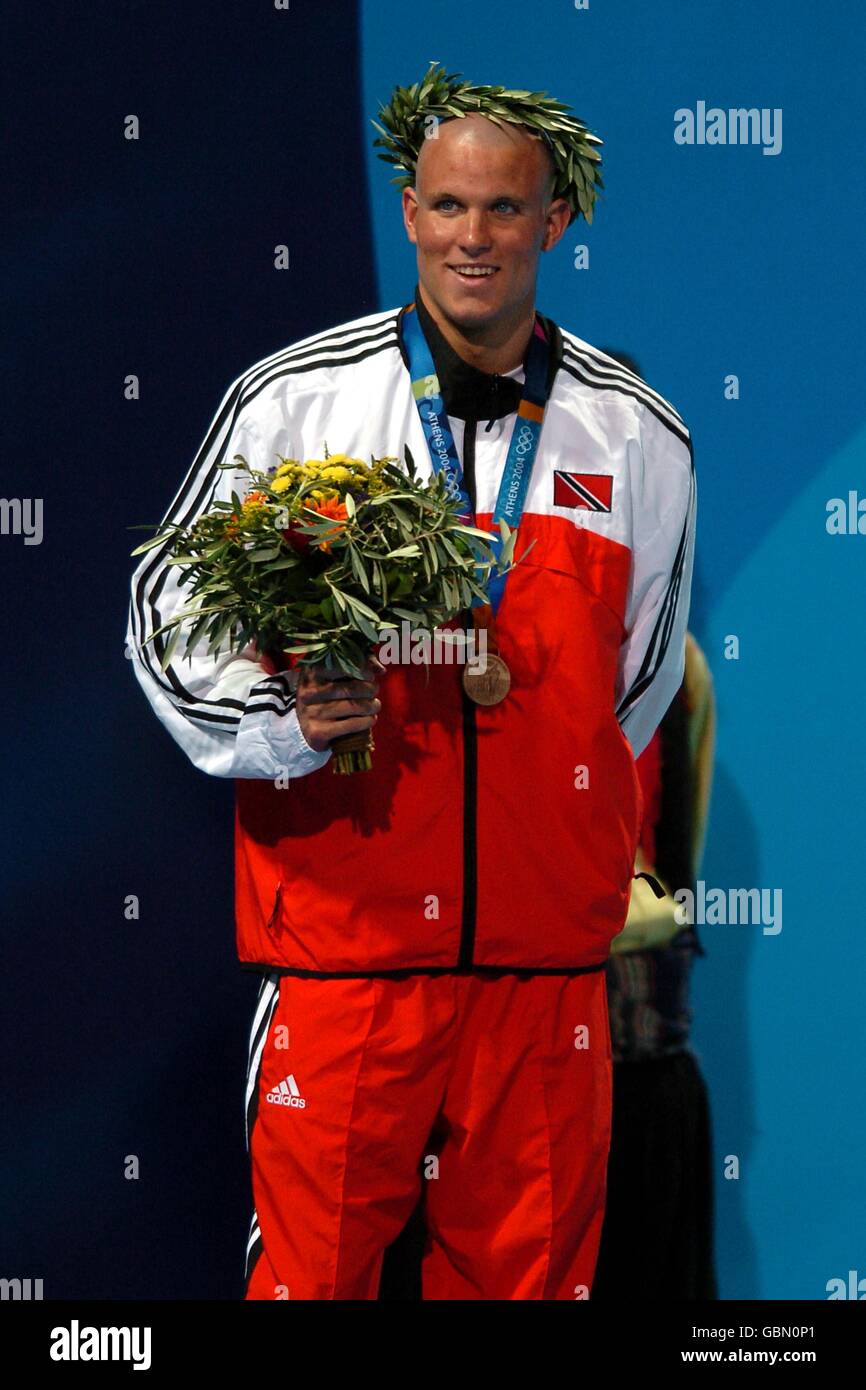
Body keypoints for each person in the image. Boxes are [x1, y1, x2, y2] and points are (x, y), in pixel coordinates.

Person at [125, 61, 697, 1300]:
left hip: (542, 980)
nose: (472, 238)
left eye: (502, 210)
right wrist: (282, 722)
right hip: (347, 957)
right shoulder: (296, 400)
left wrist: (550, 810)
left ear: (554, 222)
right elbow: (164, 613)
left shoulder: (637, 433)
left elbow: (638, 681)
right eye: (446, 207)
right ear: (407, 213)